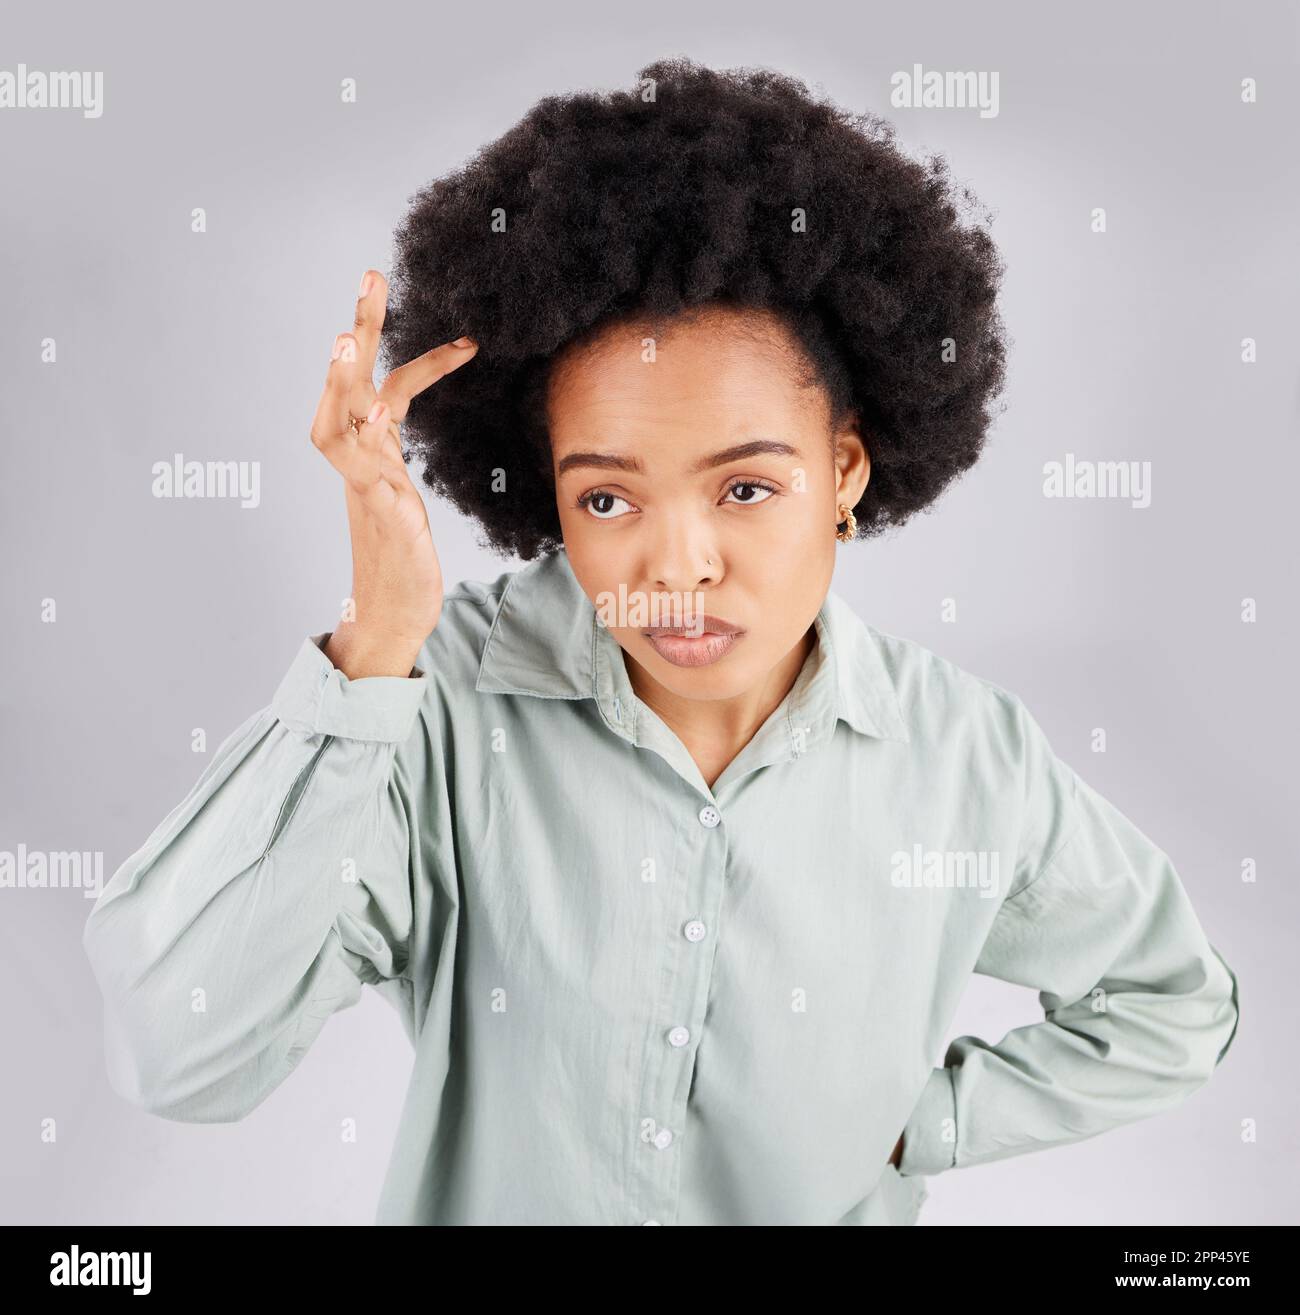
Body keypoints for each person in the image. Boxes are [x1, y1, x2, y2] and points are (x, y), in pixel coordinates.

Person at [82, 57, 1239, 1226]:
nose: (676, 566)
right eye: (606, 499)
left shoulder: (963, 759)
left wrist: (918, 1122)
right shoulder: (430, 712)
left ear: (842, 470)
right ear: (545, 494)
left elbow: (1168, 1003)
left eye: (743, 489)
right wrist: (375, 644)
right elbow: (183, 1051)